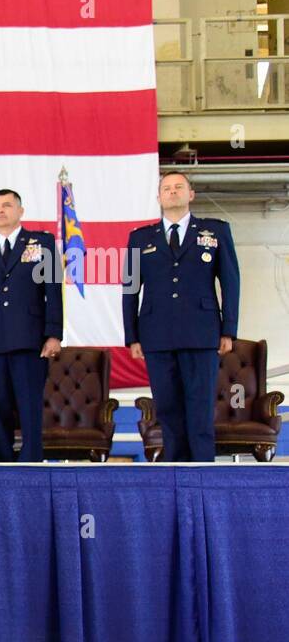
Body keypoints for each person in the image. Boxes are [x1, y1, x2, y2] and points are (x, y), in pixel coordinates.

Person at [123, 171, 240, 462]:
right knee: (168, 409)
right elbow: (130, 288)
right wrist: (132, 335)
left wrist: (229, 330)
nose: (172, 192)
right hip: (156, 335)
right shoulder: (139, 238)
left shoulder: (215, 231)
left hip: (201, 333)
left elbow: (230, 282)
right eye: (166, 188)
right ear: (159, 197)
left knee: (200, 409)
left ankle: (202, 474)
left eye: (179, 187)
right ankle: (174, 473)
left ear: (191, 194)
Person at [0, 189, 62, 461]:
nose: (1, 210)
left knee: (30, 408)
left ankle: (31, 465)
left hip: (31, 342)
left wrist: (54, 334)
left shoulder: (43, 243)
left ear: (21, 211)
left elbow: (53, 290)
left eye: (7, 205)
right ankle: (1, 467)